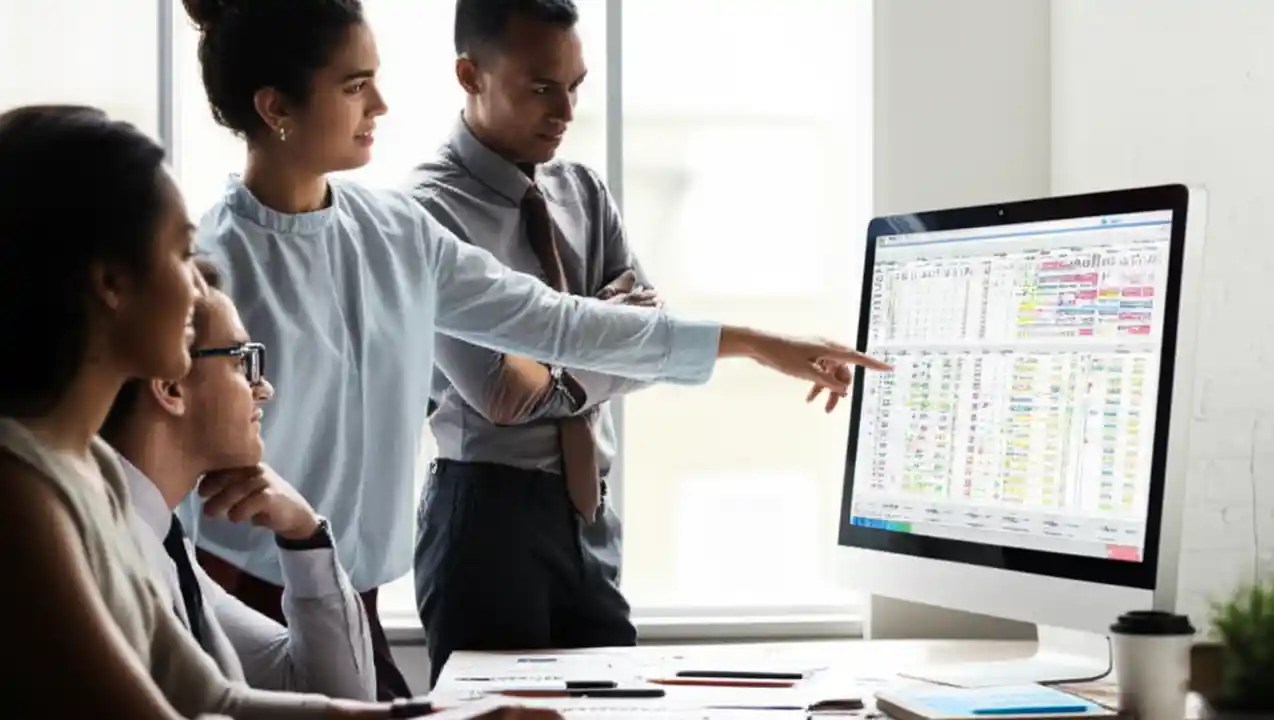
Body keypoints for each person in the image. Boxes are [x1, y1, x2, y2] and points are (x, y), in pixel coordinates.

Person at [179, 0, 891, 695]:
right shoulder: (209, 266)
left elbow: (557, 323)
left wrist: (759, 344)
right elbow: (156, 464)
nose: (382, 106)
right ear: (277, 108)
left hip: (351, 599)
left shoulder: (397, 232)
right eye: (356, 86)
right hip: (240, 593)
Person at [0, 103, 566, 720]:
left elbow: (213, 700)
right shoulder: (19, 490)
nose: (200, 286)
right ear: (110, 283)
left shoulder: (99, 479)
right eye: (182, 253)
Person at [407, 0, 772, 682]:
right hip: (487, 520)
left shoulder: (583, 191)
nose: (566, 112)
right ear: (469, 74)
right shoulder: (428, 212)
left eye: (575, 86)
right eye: (541, 87)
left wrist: (557, 366)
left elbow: (648, 347)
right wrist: (605, 331)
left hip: (590, 518)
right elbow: (500, 393)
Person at [100, 258, 377, 699]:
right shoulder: (105, 550)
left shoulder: (166, 546)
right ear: (171, 387)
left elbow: (331, 693)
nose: (263, 387)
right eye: (240, 361)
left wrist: (304, 536)